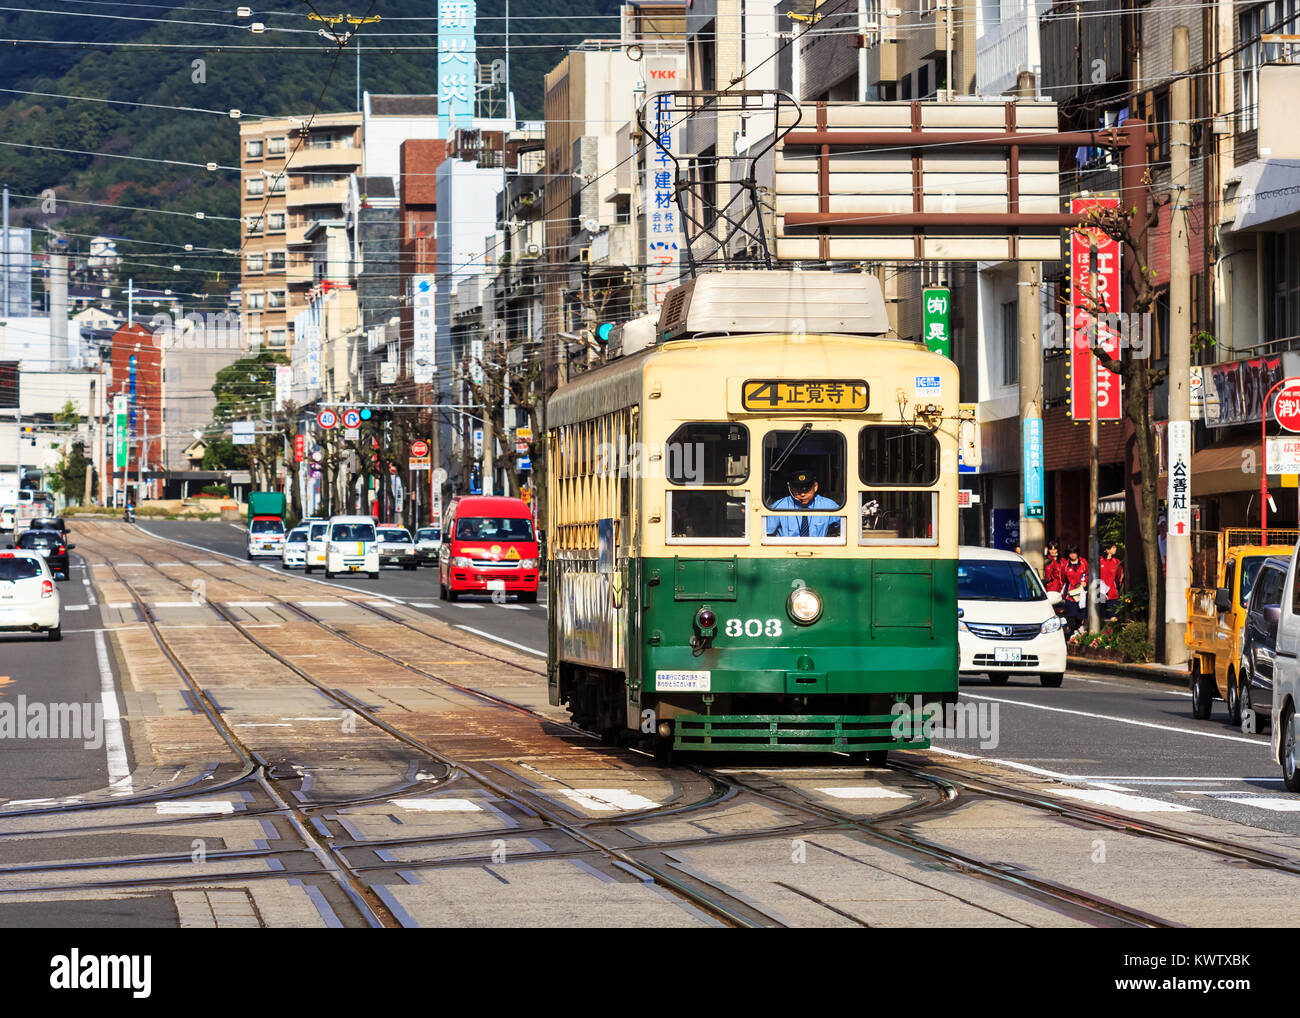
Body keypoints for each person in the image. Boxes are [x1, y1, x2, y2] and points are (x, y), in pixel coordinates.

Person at [767, 469, 840, 537]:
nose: (802, 494)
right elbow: (766, 532)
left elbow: (847, 525)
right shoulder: (779, 506)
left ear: (815, 487)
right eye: (797, 490)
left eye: (807, 490)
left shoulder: (828, 505)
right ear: (791, 488)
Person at [1063, 543, 1089, 636]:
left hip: (1081, 594)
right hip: (1070, 595)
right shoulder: (1066, 565)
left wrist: (1085, 581)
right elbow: (1062, 578)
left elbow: (1088, 574)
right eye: (1070, 553)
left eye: (1074, 553)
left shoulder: (1084, 562)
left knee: (1080, 615)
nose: (1072, 555)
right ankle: (1072, 633)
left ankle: (1078, 632)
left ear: (1077, 553)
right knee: (1070, 616)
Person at [1099, 541, 1123, 620]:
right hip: (1101, 594)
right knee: (1102, 619)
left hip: (1113, 594)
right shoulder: (1099, 561)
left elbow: (1120, 577)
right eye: (1113, 547)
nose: (1115, 549)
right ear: (1107, 550)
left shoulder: (1116, 562)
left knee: (1114, 619)